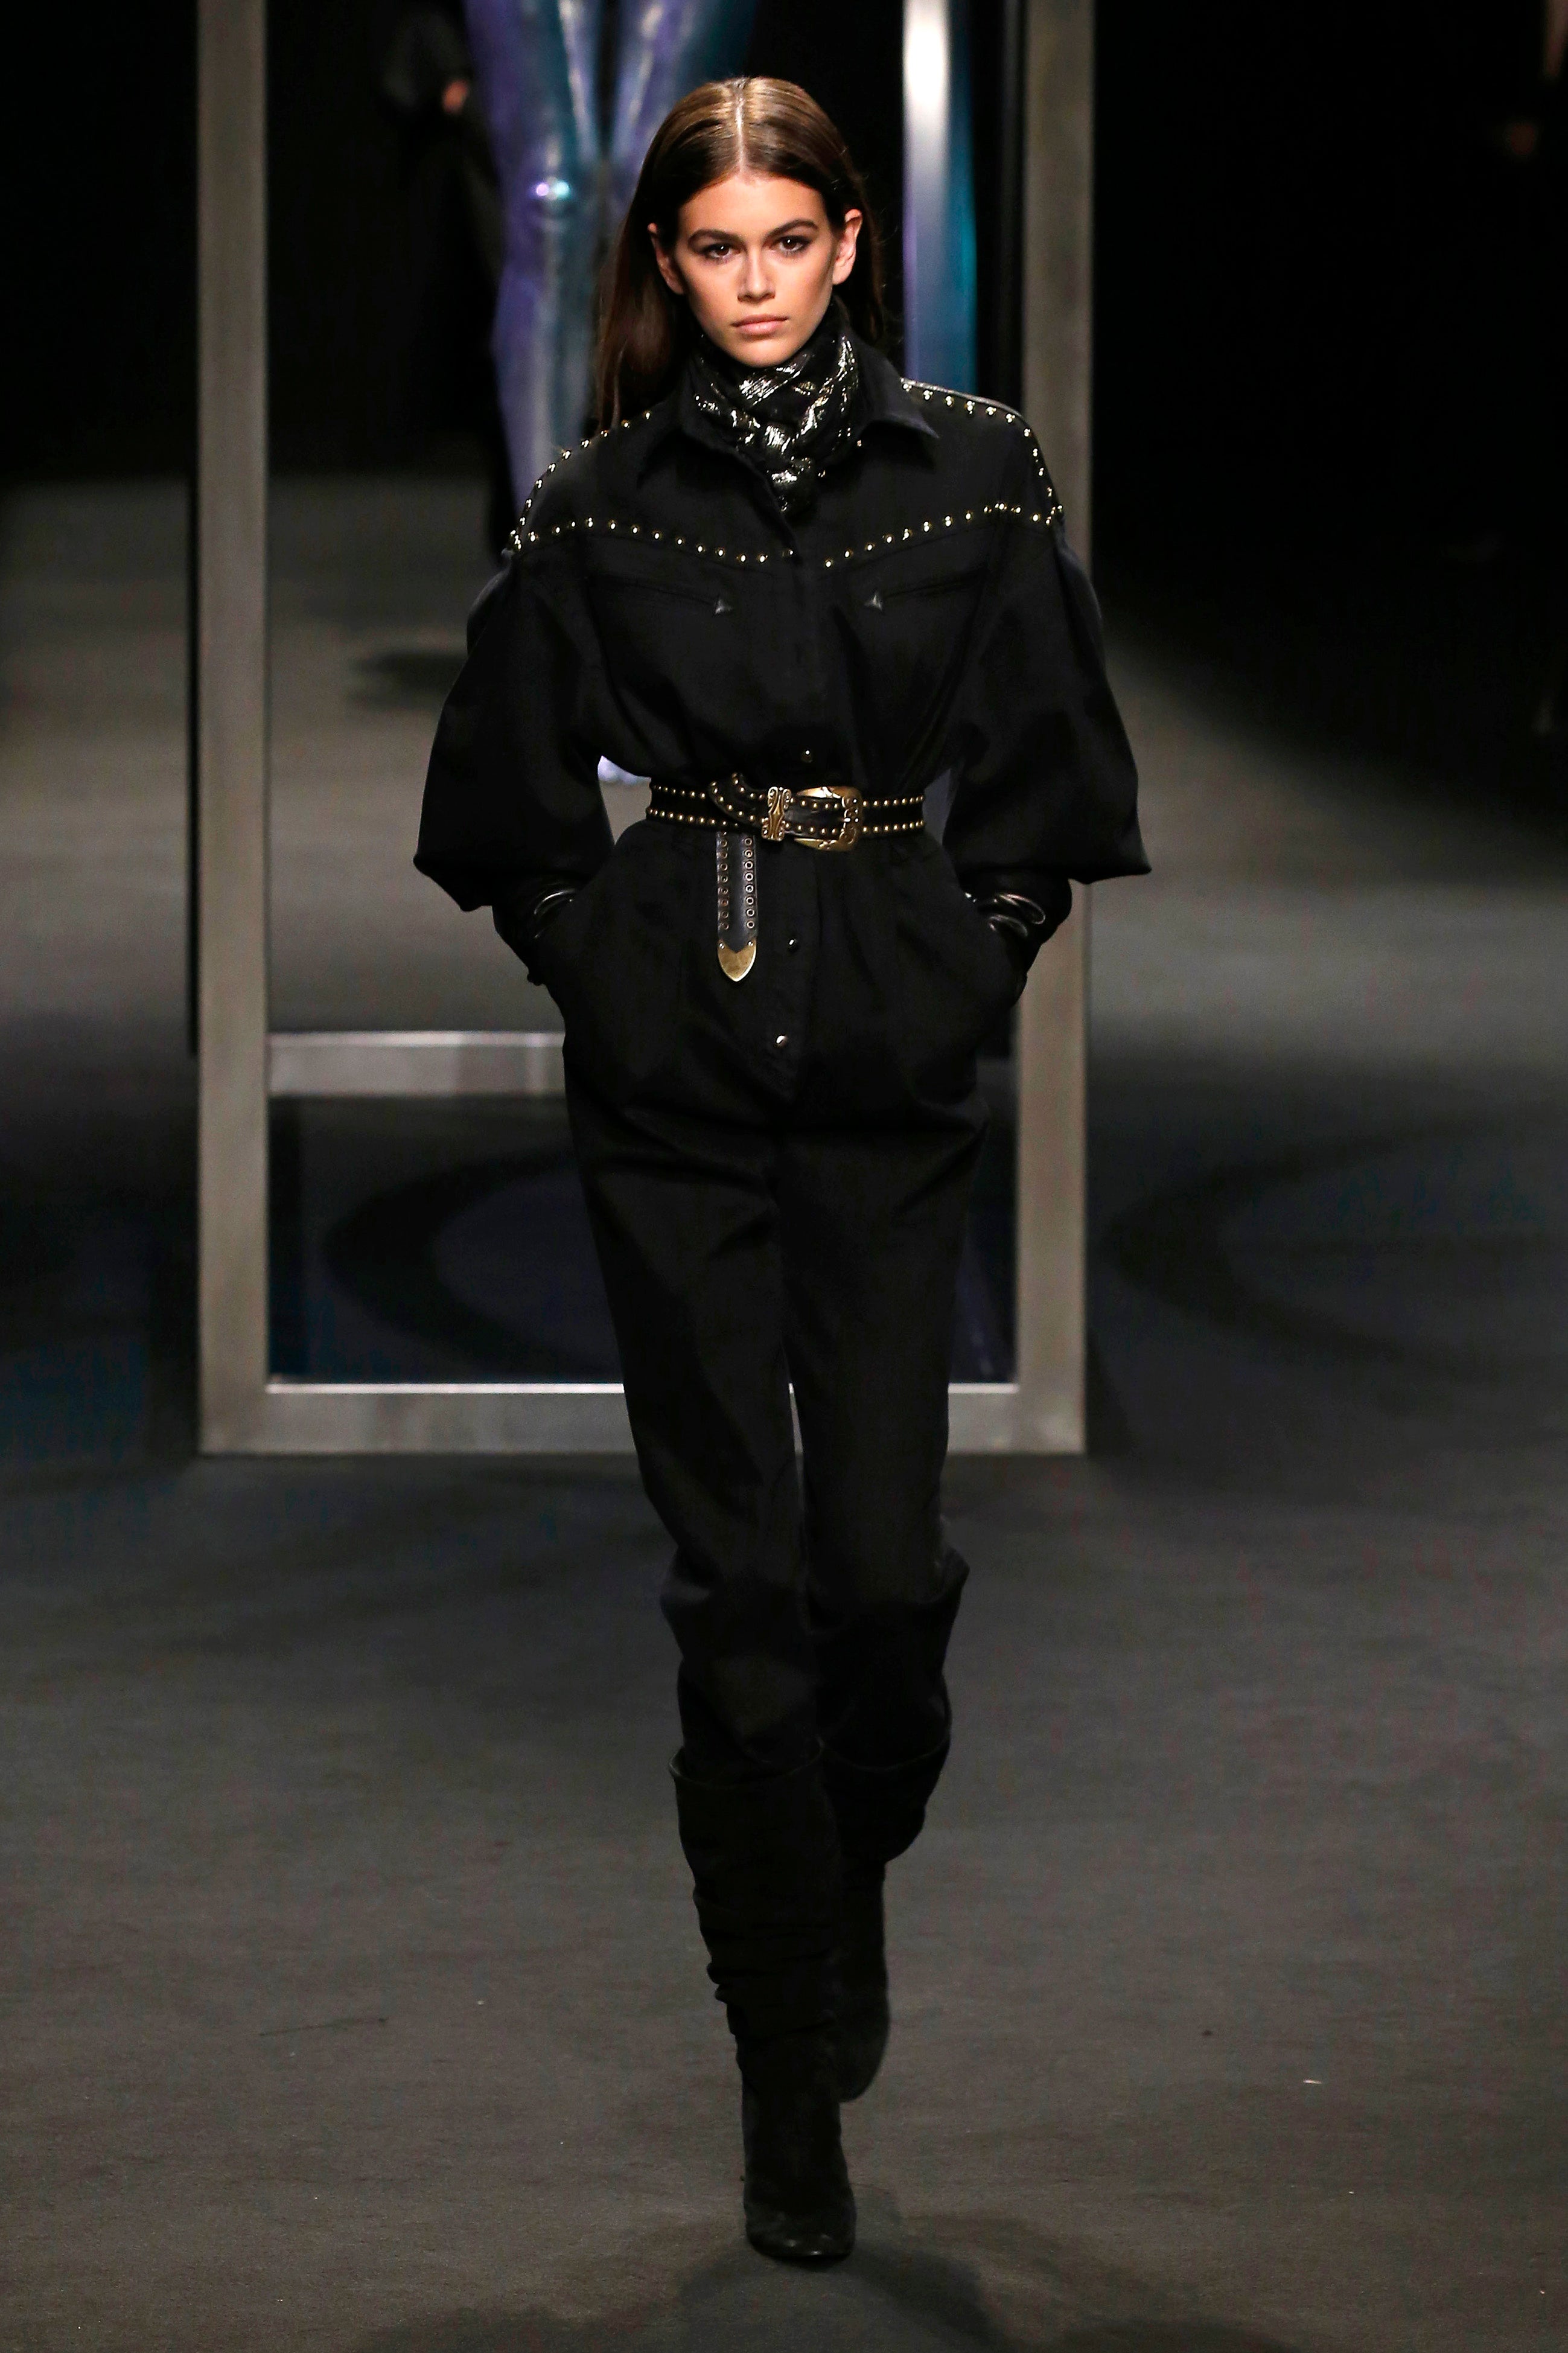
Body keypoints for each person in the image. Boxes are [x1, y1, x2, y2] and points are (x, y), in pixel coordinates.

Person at [415, 77, 1145, 2265]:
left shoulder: (975, 472)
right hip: (677, 1077)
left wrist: (977, 947)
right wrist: (600, 962)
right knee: (737, 1588)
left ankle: (832, 1876)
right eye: (713, 248)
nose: (753, 283)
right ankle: (784, 2066)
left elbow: (1052, 763)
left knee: (882, 1584)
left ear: (847, 243)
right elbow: (502, 797)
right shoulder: (598, 501)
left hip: (888, 1057)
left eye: (786, 242)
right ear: (668, 261)